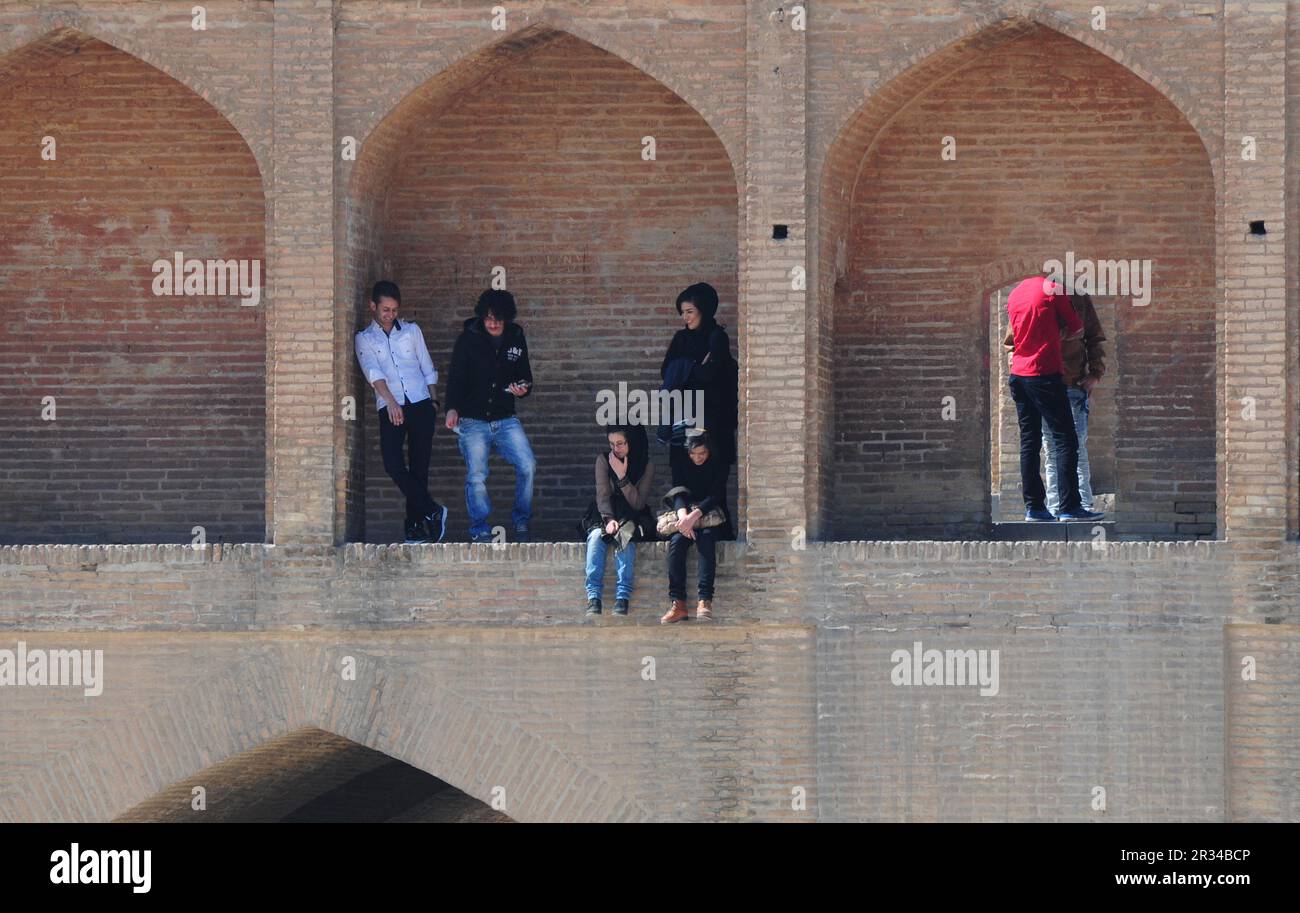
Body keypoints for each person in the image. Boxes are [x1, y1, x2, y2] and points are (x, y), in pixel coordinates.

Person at [353, 280, 448, 543]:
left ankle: (415, 528)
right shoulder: (364, 338)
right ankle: (433, 510)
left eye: (394, 310)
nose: (390, 315)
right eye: (385, 309)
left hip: (420, 403)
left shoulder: (411, 331)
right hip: (390, 405)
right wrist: (392, 403)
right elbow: (373, 372)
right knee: (393, 464)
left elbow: (427, 366)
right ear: (373, 306)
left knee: (419, 468)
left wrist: (434, 403)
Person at [1005, 276, 1104, 523]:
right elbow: (1078, 328)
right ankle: (1068, 507)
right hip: (1045, 373)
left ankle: (1035, 509)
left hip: (1019, 376)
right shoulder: (1054, 291)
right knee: (1066, 440)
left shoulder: (1017, 293)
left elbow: (1013, 339)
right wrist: (1058, 333)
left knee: (1029, 442)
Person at [444, 289, 537, 543]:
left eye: (498, 318)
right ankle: (480, 528)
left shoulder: (516, 337)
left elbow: (525, 375)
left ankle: (521, 522)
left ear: (507, 317)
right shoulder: (468, 339)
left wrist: (523, 388)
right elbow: (455, 378)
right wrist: (451, 408)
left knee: (527, 464)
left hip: (505, 418)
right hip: (472, 419)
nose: (492, 323)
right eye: (487, 318)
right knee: (476, 474)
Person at [659, 282, 739, 468]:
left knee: (713, 469)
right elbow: (666, 371)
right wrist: (695, 367)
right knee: (684, 468)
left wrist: (685, 370)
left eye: (689, 312)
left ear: (704, 310)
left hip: (713, 416)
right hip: (684, 413)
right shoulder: (681, 338)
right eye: (682, 312)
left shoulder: (717, 337)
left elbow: (712, 374)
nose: (685, 317)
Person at [580, 425, 655, 617]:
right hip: (605, 512)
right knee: (596, 537)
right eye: (612, 444)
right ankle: (593, 598)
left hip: (632, 514)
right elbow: (603, 494)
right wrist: (608, 519)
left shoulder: (646, 464)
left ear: (632, 442)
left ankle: (622, 598)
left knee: (625, 537)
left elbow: (638, 503)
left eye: (620, 444)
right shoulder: (604, 460)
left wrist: (622, 477)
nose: (616, 449)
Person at [660, 430, 732, 624]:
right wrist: (683, 518)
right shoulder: (681, 462)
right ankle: (678, 603)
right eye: (693, 454)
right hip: (685, 515)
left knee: (706, 539)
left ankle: (704, 600)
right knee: (676, 543)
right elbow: (677, 491)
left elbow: (716, 494)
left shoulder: (719, 464)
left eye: (702, 453)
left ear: (709, 451)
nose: (697, 458)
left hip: (711, 515)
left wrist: (694, 516)